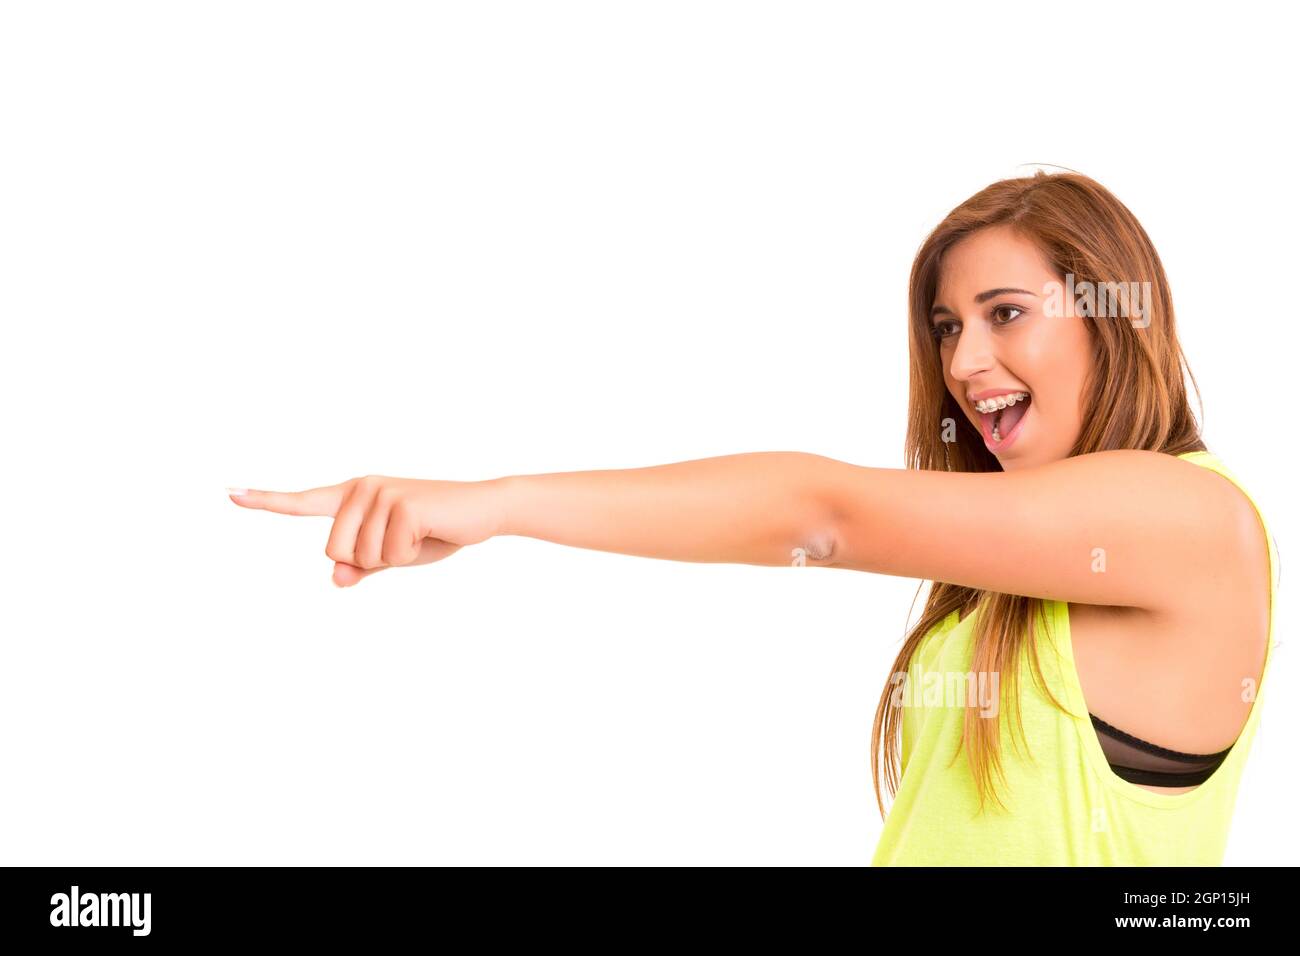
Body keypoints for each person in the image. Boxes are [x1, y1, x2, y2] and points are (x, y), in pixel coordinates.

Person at [227, 171, 1276, 865]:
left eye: (1005, 313)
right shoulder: (1009, 584)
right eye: (948, 326)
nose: (960, 364)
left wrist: (495, 503)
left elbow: (817, 514)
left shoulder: (1191, 517)